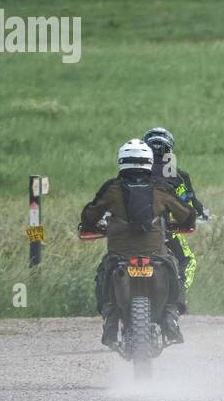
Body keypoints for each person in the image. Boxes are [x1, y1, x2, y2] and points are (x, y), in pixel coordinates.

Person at [80, 139, 197, 347]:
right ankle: (171, 316)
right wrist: (178, 224)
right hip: (156, 254)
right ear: (149, 162)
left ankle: (110, 322)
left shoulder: (112, 189)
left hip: (119, 255)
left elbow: (89, 215)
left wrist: (92, 226)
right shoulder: (160, 189)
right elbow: (187, 215)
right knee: (176, 273)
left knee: (103, 275)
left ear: (121, 161)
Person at [143, 126, 208, 297]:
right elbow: (188, 202)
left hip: (135, 229)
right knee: (188, 260)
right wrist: (199, 213)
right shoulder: (178, 176)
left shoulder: (134, 173)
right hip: (166, 229)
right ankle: (179, 296)